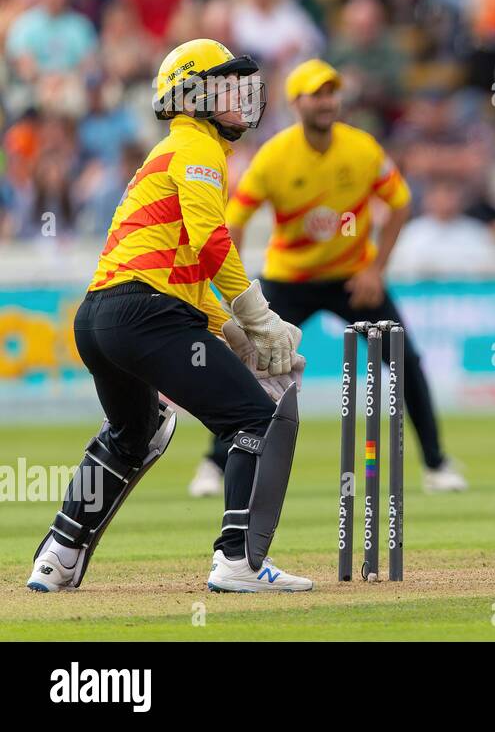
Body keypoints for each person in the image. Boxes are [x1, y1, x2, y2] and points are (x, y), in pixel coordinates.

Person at [28, 38, 312, 593]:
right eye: (225, 84)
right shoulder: (197, 147)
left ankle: (57, 557)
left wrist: (228, 330)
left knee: (137, 432)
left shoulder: (168, 154)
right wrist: (257, 316)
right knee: (255, 418)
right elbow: (211, 241)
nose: (240, 96)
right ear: (191, 97)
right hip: (144, 315)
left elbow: (176, 268)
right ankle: (238, 562)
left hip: (99, 318)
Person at [190, 58, 466, 497]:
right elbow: (234, 220)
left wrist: (376, 269)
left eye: (331, 92)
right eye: (316, 93)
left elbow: (400, 205)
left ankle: (436, 464)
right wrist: (235, 286)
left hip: (353, 279)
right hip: (289, 278)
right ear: (296, 102)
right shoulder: (275, 155)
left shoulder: (362, 149)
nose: (326, 101)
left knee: (405, 362)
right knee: (253, 367)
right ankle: (213, 464)